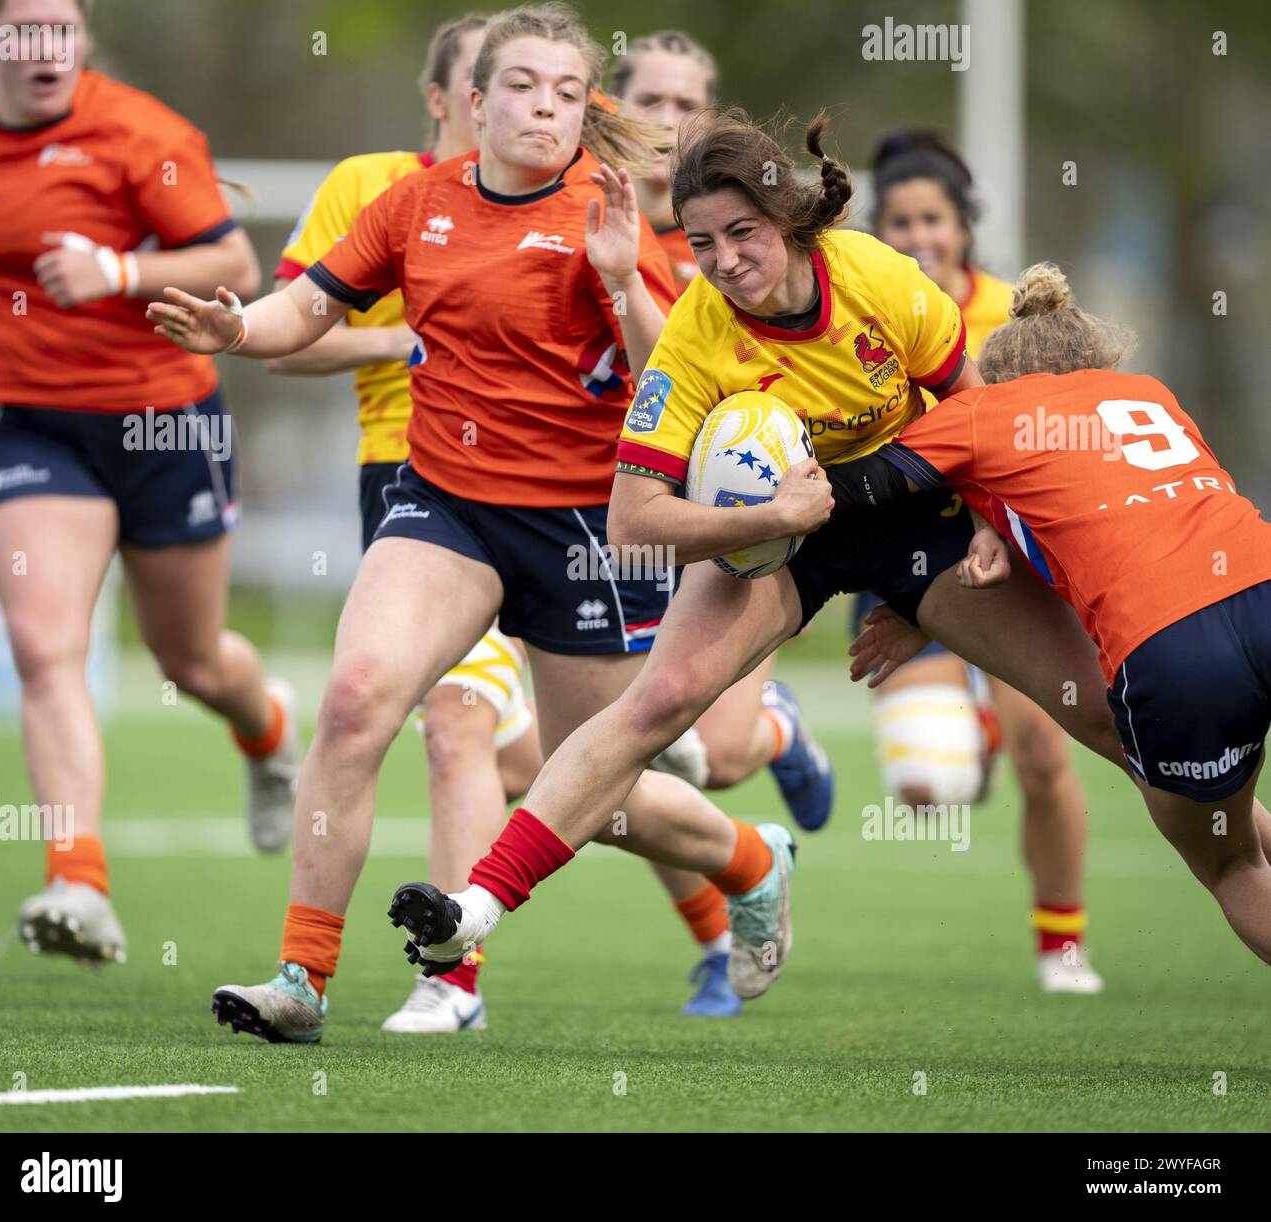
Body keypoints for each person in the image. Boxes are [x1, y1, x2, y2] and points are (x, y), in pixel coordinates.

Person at [150, 2, 799, 1044]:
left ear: (585, 110)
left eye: (564, 92)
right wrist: (234, 327)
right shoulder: (413, 204)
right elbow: (306, 310)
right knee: (357, 699)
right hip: (445, 502)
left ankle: (751, 861)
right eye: (520, 86)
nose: (542, 106)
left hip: (584, 525)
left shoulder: (609, 209)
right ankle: (303, 978)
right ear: (472, 99)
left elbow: (677, 383)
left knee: (592, 792)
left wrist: (624, 280)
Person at [385, 109, 1132, 983]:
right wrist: (768, 520)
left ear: (788, 219)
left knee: (1102, 718)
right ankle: (471, 910)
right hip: (775, 534)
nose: (726, 259)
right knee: (651, 708)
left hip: (914, 511)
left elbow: (975, 413)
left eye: (743, 232)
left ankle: (1222, 855)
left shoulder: (877, 277)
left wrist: (974, 540)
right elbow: (631, 523)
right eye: (701, 242)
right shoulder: (697, 335)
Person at [0, 0, 298, 968]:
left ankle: (269, 728)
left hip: (163, 418)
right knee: (43, 643)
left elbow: (235, 262)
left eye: (59, 30)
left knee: (188, 661)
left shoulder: (141, 134)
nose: (43, 51)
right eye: (20, 32)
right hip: (33, 424)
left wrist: (114, 268)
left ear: (81, 39)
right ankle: (79, 880)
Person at [839, 263, 1271, 967]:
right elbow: (1090, 503)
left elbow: (859, 488)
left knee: (1232, 867)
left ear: (998, 374)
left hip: (1174, 644)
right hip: (1262, 580)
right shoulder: (1149, 393)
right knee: (1237, 822)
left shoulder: (983, 412)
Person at [265, 13, 542, 1035]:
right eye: (485, 85)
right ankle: (734, 858)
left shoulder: (571, 202)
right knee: (415, 726)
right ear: (443, 99)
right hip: (405, 488)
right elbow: (291, 335)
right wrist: (404, 341)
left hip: (534, 496)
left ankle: (450, 983)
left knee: (462, 727)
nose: (504, 106)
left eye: (526, 87)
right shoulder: (377, 187)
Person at [609, 29, 833, 1017]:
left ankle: (776, 734)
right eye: (648, 100)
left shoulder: (720, 240)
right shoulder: (575, 208)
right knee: (596, 751)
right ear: (611, 112)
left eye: (685, 104)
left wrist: (621, 281)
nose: (666, 121)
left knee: (713, 754)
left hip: (706, 509)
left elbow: (694, 383)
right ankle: (717, 928)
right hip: (574, 515)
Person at [853, 129, 1101, 993]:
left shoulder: (1016, 316)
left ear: (963, 226)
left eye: (933, 219)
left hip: (1019, 559)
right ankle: (972, 721)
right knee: (928, 784)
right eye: (899, 221)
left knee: (1047, 755)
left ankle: (1060, 943)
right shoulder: (861, 314)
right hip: (905, 567)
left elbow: (1063, 444)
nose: (918, 236)